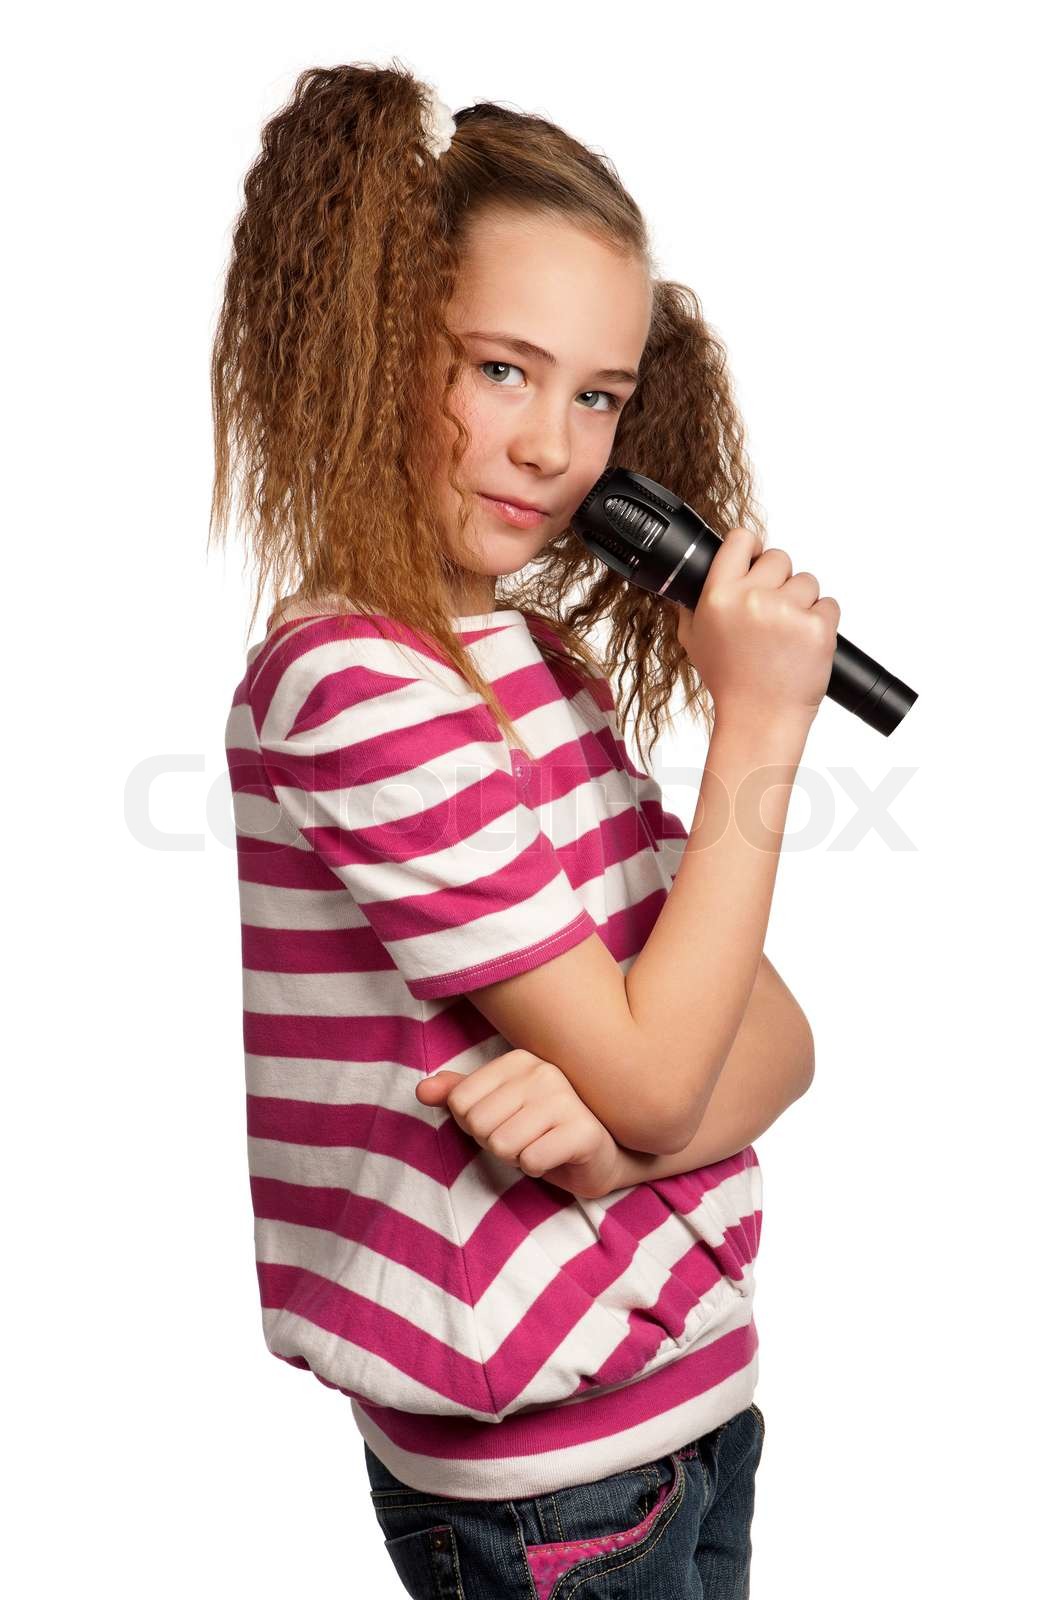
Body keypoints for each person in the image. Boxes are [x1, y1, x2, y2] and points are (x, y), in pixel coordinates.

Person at [214, 60, 839, 1599]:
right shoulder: (356, 688)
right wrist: (760, 724)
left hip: (697, 1415)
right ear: (378, 350)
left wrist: (623, 1147)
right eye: (503, 369)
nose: (557, 447)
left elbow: (773, 1039)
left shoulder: (535, 668)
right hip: (551, 1495)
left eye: (598, 395)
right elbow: (668, 1067)